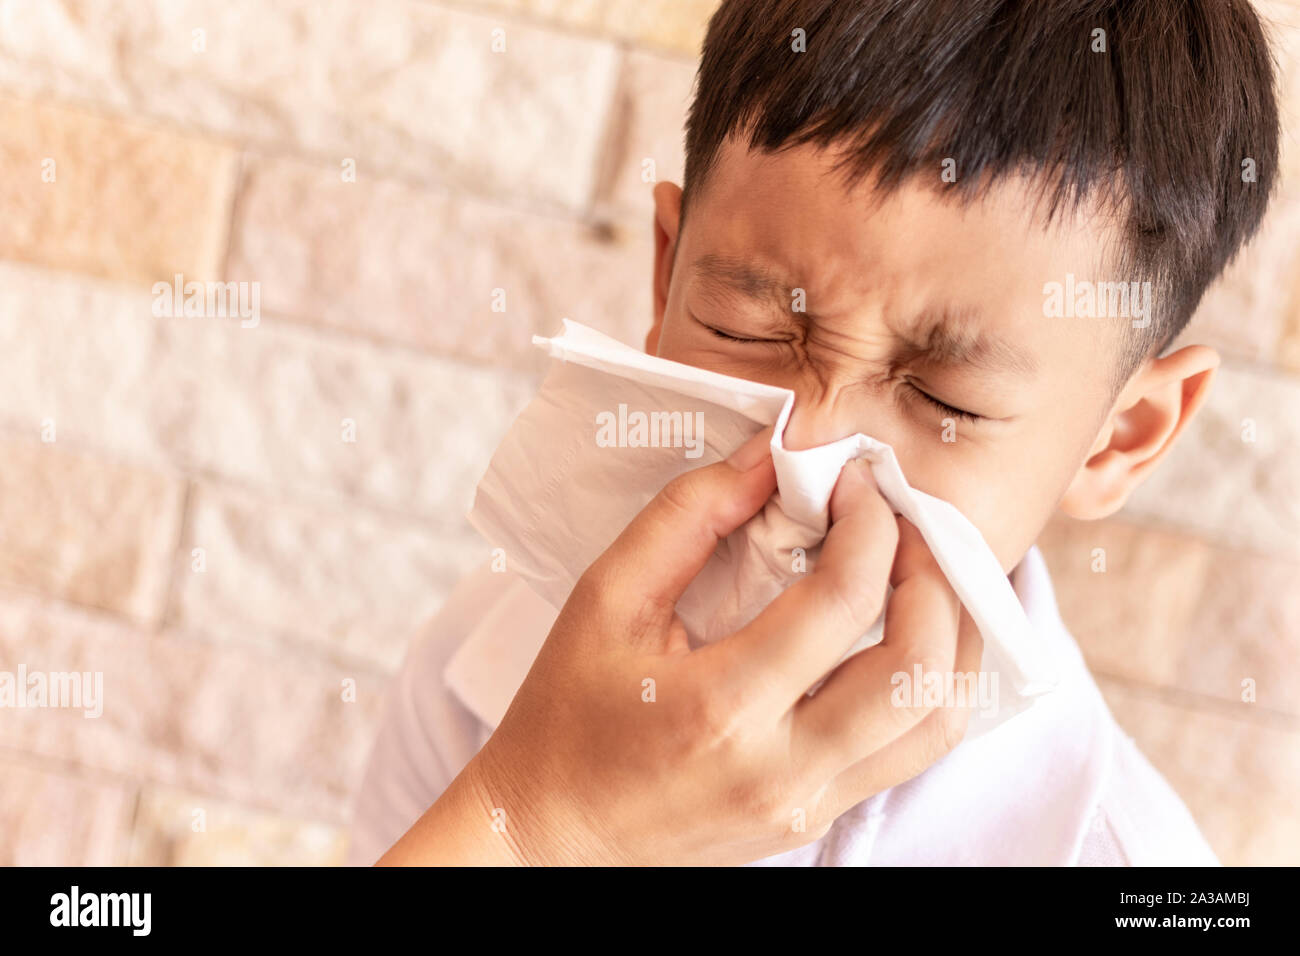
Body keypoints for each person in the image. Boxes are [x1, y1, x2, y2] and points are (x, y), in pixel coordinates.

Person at [350, 0, 1278, 865]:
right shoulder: (494, 663)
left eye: (947, 400)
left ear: (1121, 438)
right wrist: (542, 815)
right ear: (667, 280)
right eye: (747, 331)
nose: (807, 453)